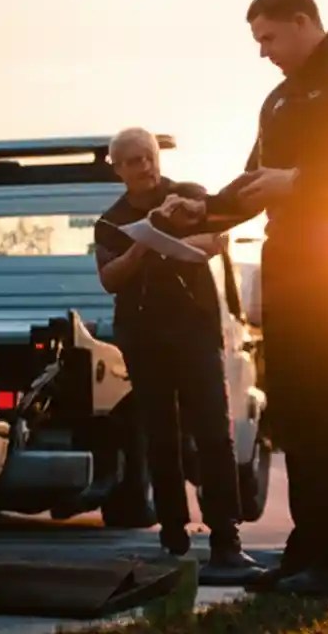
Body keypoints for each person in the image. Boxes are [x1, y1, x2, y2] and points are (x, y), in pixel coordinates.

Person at [157, 0, 328, 596]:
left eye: (269, 37)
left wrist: (298, 181)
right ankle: (305, 555)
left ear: (303, 21)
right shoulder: (275, 101)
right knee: (297, 408)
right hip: (288, 260)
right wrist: (198, 212)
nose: (263, 51)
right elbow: (252, 184)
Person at [93, 127, 264, 582]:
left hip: (194, 329)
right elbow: (109, 277)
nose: (144, 167)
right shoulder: (109, 221)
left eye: (148, 157)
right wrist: (142, 246)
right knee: (160, 435)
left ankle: (226, 539)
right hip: (142, 336)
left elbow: (218, 240)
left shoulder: (187, 196)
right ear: (118, 169)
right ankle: (172, 535)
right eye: (132, 161)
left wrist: (176, 238)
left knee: (213, 429)